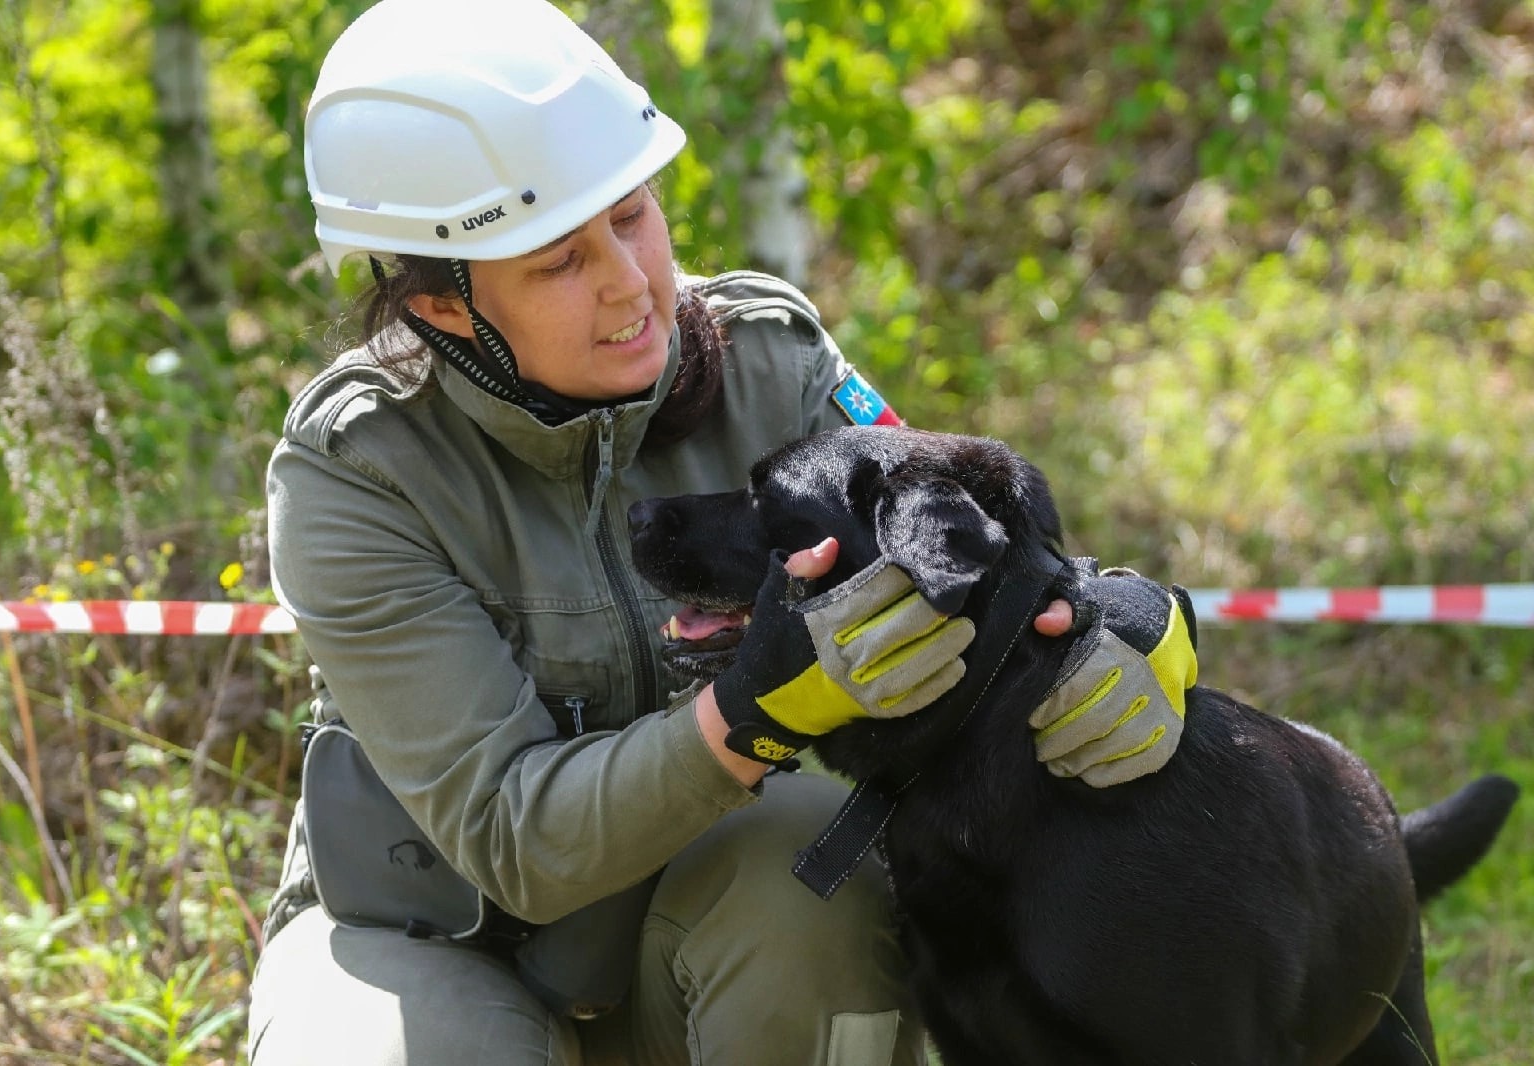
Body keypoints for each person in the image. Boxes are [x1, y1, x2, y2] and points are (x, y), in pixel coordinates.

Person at [245, 1, 1200, 1063]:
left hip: (708, 908)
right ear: (444, 311)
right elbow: (513, 840)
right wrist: (752, 707)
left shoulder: (768, 360)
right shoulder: (357, 470)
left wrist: (1131, 620)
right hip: (432, 944)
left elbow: (967, 546)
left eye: (633, 214)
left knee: (817, 874)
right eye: (558, 263)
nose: (629, 282)